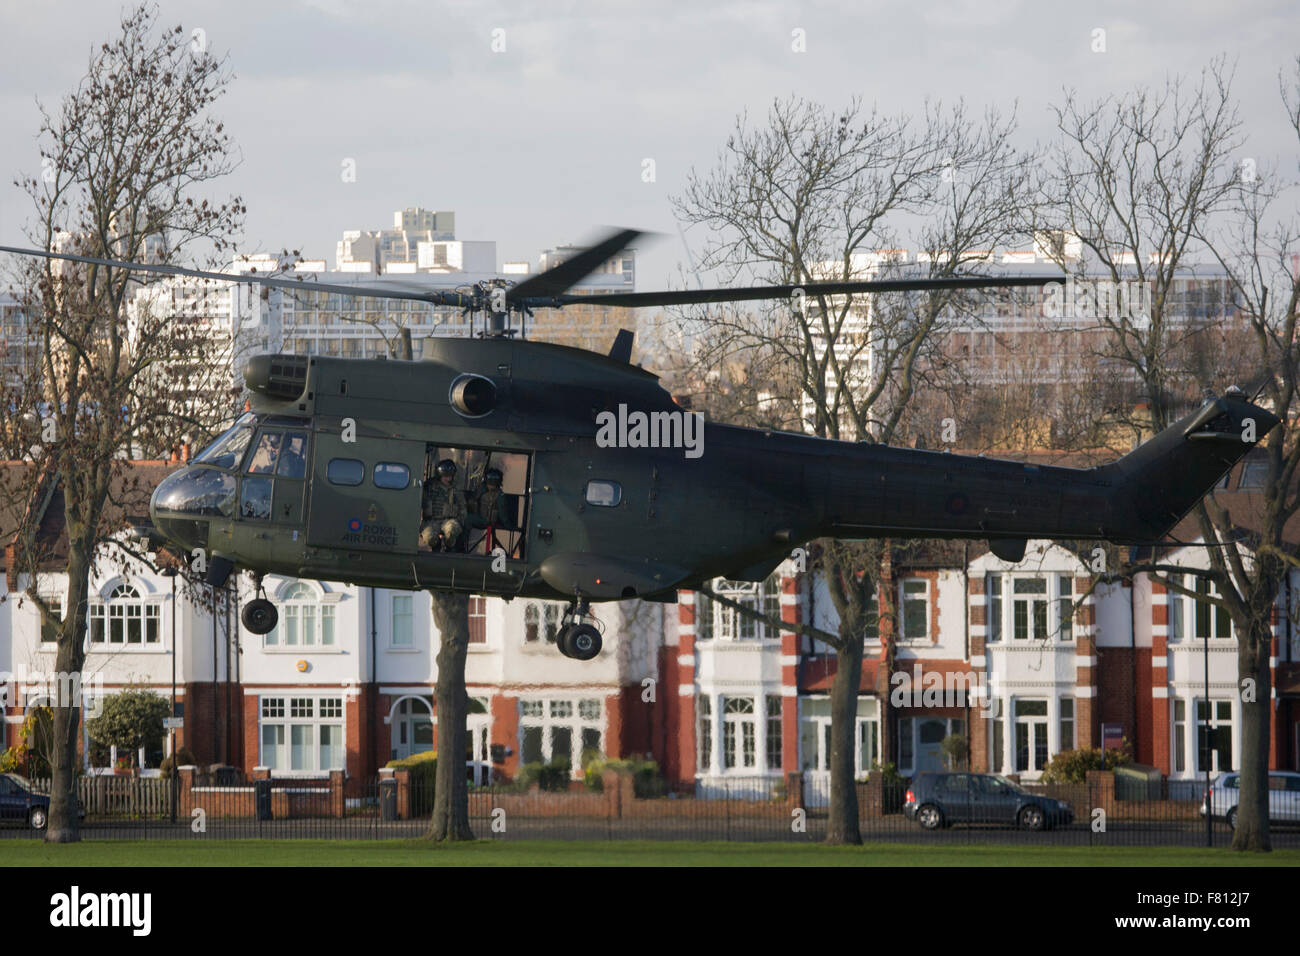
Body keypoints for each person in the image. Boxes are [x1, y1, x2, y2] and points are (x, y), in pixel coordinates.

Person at [420, 458, 466, 552]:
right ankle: (436, 547)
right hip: (431, 521)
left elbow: (462, 507)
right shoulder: (429, 487)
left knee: (451, 529)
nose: (448, 478)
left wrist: (461, 522)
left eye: (450, 476)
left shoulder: (455, 489)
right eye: (445, 476)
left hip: (449, 520)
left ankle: (448, 546)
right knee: (429, 536)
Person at [469, 466, 515, 553]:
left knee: (467, 520)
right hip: (481, 519)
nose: (491, 485)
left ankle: (460, 546)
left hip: (487, 521)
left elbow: (502, 513)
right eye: (489, 482)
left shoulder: (500, 496)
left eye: (493, 482)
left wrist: (508, 525)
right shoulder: (482, 491)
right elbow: (473, 501)